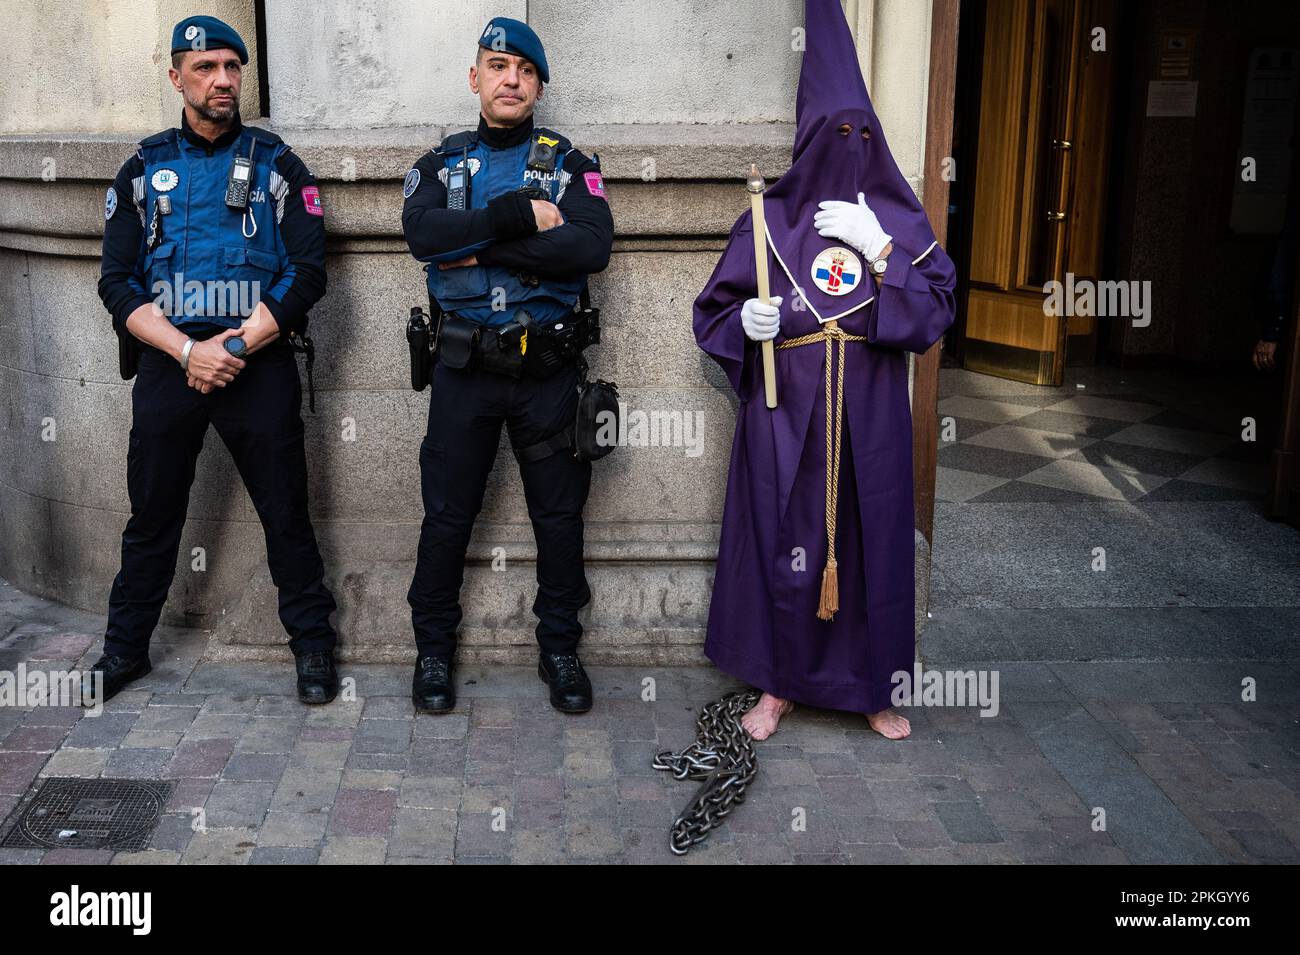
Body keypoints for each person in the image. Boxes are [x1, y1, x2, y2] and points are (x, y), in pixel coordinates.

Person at [692, 0, 956, 741]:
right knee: (785, 539)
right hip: (786, 413)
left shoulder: (899, 224)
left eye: (861, 133)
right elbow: (713, 310)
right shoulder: (768, 221)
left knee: (872, 542)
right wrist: (745, 324)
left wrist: (882, 252)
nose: (850, 145)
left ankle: (874, 689)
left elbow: (936, 315)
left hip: (869, 412)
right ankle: (776, 685)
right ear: (809, 141)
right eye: (834, 133)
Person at [93, 15, 339, 705]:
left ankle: (313, 646)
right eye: (206, 68)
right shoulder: (142, 169)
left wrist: (229, 347)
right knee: (151, 515)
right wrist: (186, 350)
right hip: (171, 366)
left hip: (254, 362)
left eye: (233, 67)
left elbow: (308, 273)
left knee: (286, 512)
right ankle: (124, 649)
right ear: (177, 76)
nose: (223, 80)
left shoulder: (278, 166)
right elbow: (116, 281)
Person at [401, 17, 614, 715]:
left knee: (559, 519)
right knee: (447, 517)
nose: (510, 79)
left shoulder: (572, 163)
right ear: (475, 78)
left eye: (524, 70)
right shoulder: (439, 163)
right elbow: (424, 235)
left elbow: (587, 249)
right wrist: (523, 217)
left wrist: (481, 244)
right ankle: (432, 649)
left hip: (547, 374)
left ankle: (559, 647)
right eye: (497, 66)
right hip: (464, 370)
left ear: (540, 84)